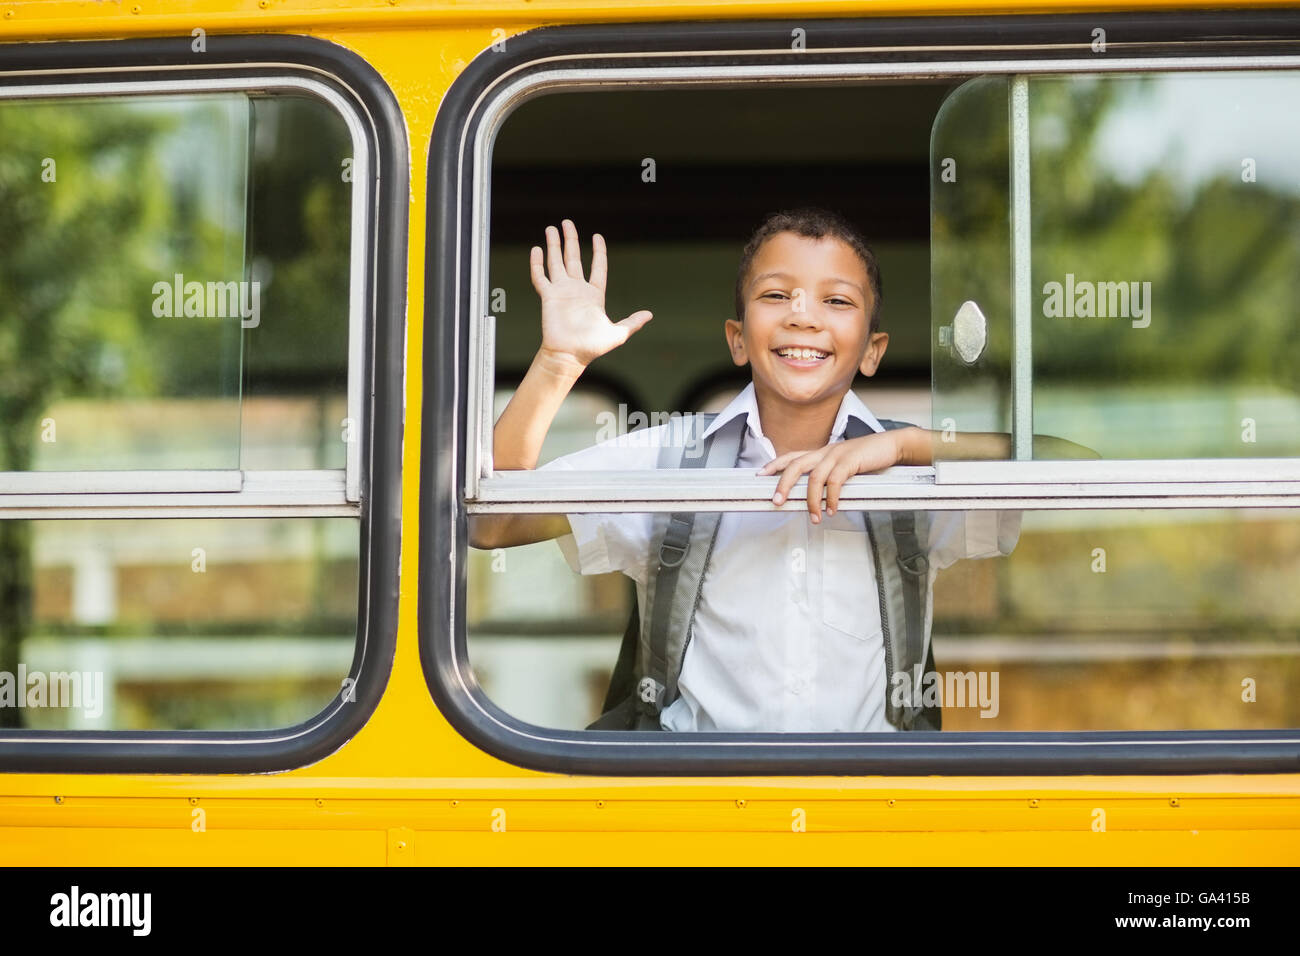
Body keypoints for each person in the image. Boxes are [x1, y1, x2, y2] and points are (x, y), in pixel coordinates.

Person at [470, 209, 1029, 733]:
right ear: (738, 339)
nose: (802, 315)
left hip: (868, 807)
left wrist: (905, 447)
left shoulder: (911, 470)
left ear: (872, 351)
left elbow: (1078, 460)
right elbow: (493, 524)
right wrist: (559, 362)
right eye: (776, 294)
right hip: (698, 804)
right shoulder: (667, 458)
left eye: (836, 301)